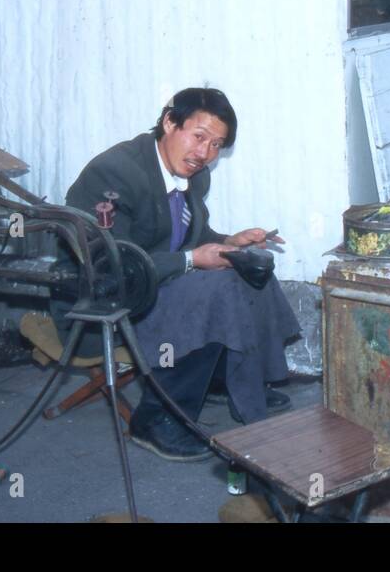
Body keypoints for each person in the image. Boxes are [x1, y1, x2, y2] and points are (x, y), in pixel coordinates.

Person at [64, 88, 301, 461]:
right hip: (101, 298)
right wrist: (193, 260)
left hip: (153, 280)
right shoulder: (115, 173)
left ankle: (234, 381)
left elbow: (184, 236)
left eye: (216, 144)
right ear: (169, 122)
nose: (204, 154)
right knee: (214, 290)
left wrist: (229, 242)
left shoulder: (193, 175)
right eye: (199, 136)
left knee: (249, 270)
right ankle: (157, 418)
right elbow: (109, 265)